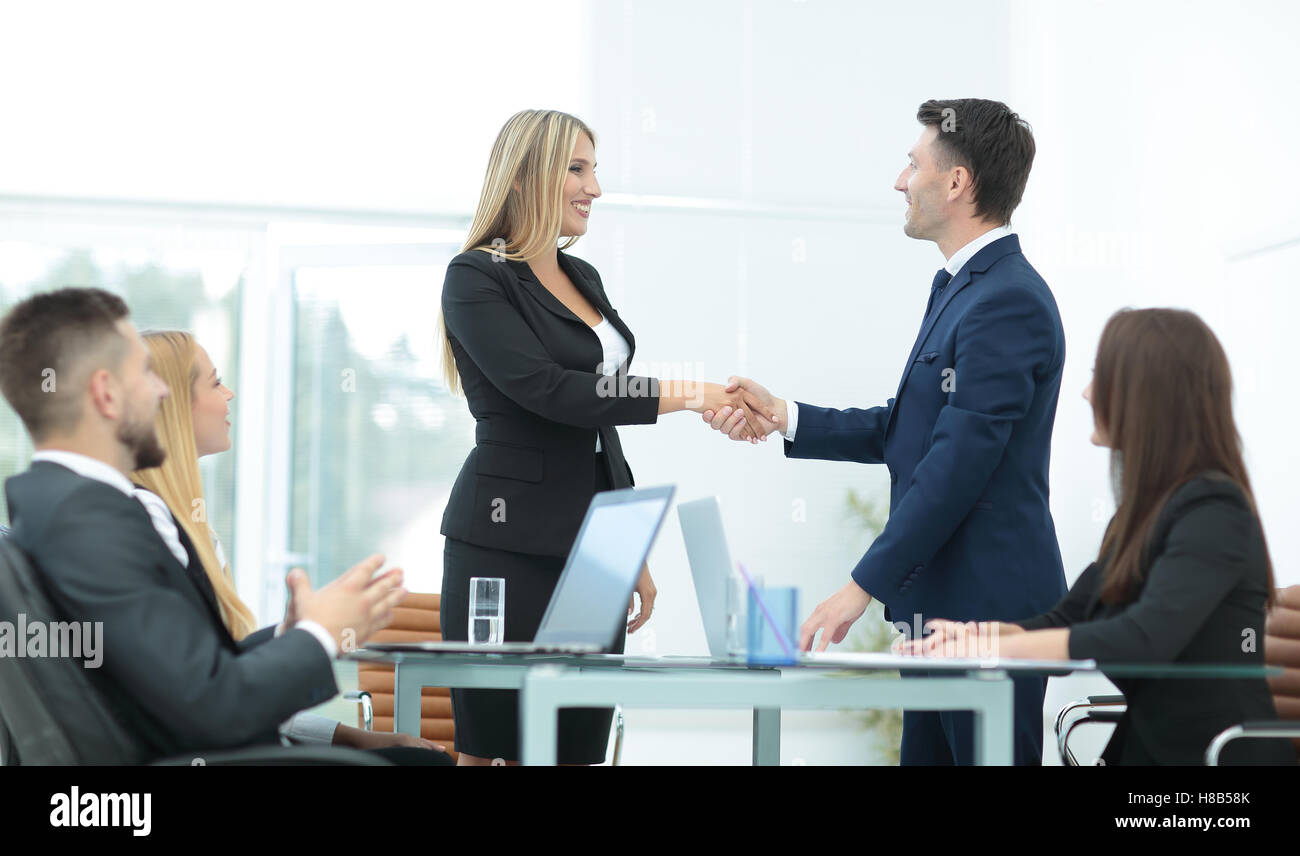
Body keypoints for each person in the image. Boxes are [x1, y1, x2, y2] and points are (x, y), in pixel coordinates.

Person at [703, 98, 1066, 765]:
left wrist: (860, 586)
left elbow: (958, 462)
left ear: (957, 183)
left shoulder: (1006, 299)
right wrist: (786, 414)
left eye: (913, 163)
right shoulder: (964, 289)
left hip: (987, 613)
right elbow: (913, 431)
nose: (901, 181)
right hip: (942, 616)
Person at [436, 108, 757, 766]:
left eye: (595, 169)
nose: (595, 188)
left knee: (577, 747)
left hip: (597, 551)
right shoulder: (476, 276)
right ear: (526, 178)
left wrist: (625, 542)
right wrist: (691, 395)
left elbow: (598, 425)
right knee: (495, 748)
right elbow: (551, 393)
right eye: (577, 169)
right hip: (506, 545)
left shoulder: (584, 279)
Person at [0, 288, 408, 763]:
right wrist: (319, 635)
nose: (162, 393)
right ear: (106, 394)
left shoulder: (61, 504)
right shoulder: (86, 520)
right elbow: (213, 708)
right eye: (145, 374)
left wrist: (295, 636)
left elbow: (181, 677)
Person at [903, 308, 1297, 766]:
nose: (1088, 393)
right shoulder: (1140, 517)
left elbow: (1143, 638)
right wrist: (972, 639)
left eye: (1101, 377)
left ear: (1146, 395)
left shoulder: (1216, 511)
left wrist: (1000, 648)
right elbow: (1064, 624)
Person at [132, 329, 449, 763]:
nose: (230, 393)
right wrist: (314, 636)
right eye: (214, 382)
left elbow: (231, 684)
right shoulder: (147, 525)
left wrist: (351, 736)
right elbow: (204, 697)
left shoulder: (188, 525)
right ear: (170, 403)